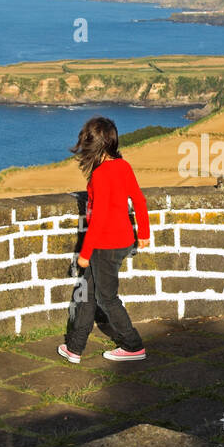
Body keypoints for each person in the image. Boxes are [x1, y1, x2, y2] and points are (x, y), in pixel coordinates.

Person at [58, 116, 150, 365]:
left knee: (107, 298)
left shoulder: (99, 175)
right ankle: (74, 348)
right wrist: (143, 234)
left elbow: (97, 219)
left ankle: (133, 345)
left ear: (92, 145)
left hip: (104, 245)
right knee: (88, 294)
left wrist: (85, 253)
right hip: (122, 241)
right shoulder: (124, 166)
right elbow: (139, 201)